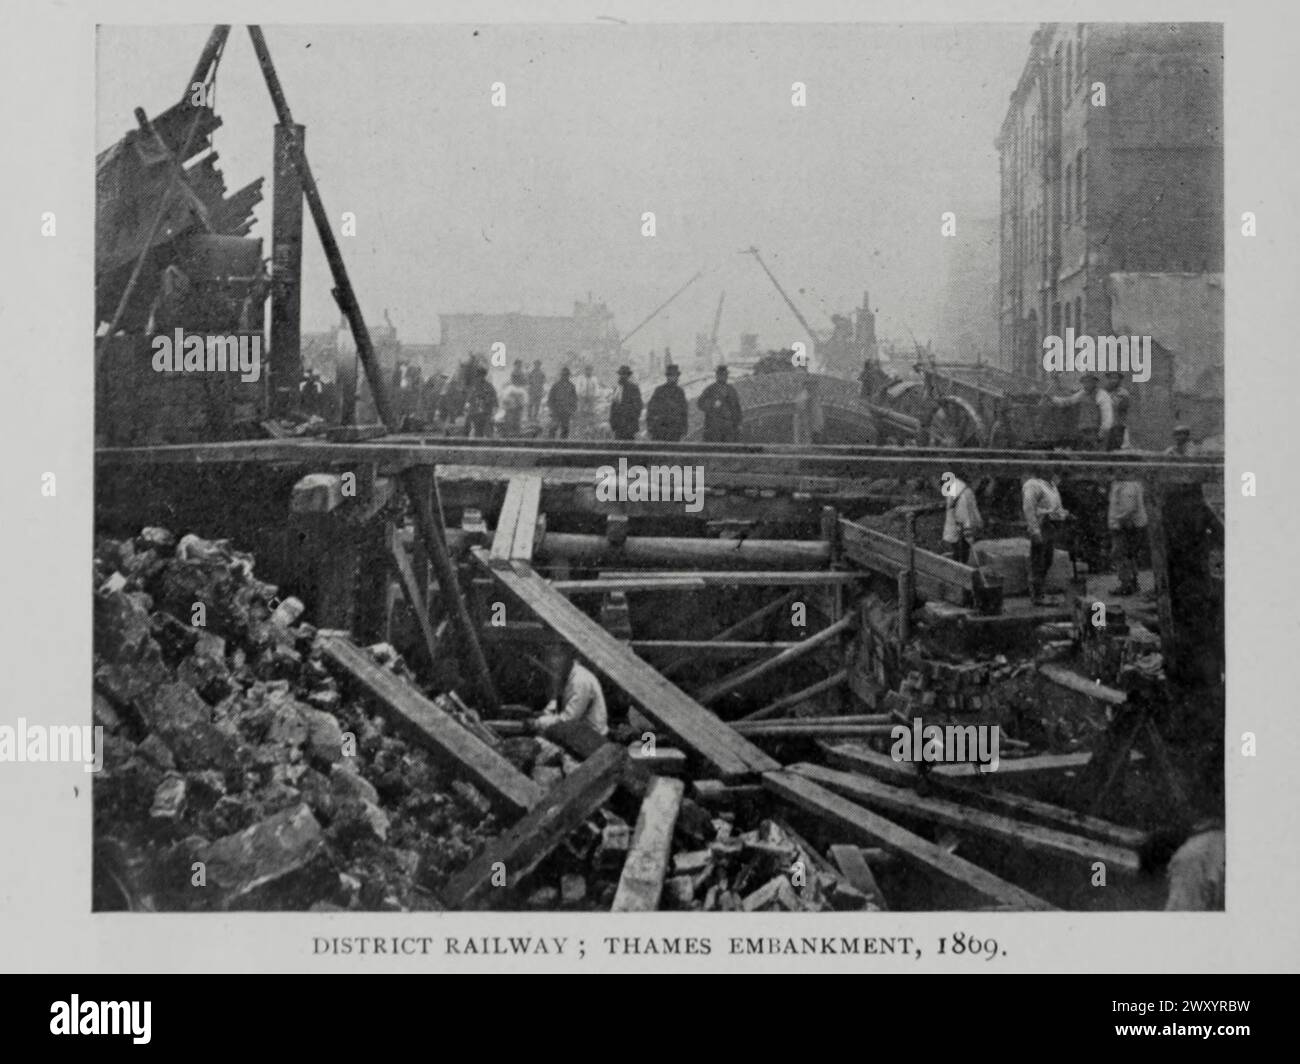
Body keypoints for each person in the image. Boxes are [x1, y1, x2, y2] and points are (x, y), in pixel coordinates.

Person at [1022, 466, 1070, 605]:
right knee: (1038, 561)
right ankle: (1037, 595)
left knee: (1047, 559)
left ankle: (1040, 591)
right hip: (1041, 525)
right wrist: (1034, 530)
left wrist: (1064, 514)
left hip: (1051, 526)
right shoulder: (1033, 485)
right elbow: (1029, 509)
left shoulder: (1052, 485)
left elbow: (1056, 507)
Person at [533, 647, 608, 736]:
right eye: (551, 656)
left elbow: (570, 719)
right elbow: (557, 701)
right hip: (576, 730)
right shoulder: (564, 675)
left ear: (570, 657)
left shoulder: (580, 680)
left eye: (558, 656)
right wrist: (545, 713)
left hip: (592, 736)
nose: (553, 661)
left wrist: (539, 722)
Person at [1107, 454, 1148, 596]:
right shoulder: (1119, 483)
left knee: (1120, 554)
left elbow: (1128, 510)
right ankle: (1132, 582)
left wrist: (1121, 523)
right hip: (1122, 525)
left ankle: (1126, 584)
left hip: (1125, 526)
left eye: (1118, 469)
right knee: (1128, 555)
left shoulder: (1128, 485)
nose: (1114, 472)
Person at [1047, 373, 1112, 450]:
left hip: (1096, 431)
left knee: (1096, 454)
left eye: (1089, 382)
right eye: (1085, 382)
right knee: (1084, 454)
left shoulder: (1102, 394)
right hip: (1083, 429)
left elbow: (1107, 415)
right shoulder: (1082, 393)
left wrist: (1103, 430)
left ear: (1095, 382)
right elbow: (1069, 401)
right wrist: (1053, 399)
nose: (1086, 384)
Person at [941, 469, 983, 565]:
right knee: (962, 549)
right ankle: (961, 568)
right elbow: (965, 513)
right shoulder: (964, 490)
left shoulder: (956, 487)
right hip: (961, 525)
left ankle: (959, 566)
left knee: (958, 548)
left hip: (958, 524)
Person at [698, 364, 743, 442]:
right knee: (716, 449)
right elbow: (700, 403)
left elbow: (737, 408)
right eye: (721, 375)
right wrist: (712, 404)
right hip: (714, 427)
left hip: (729, 426)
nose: (723, 377)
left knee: (730, 449)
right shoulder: (710, 389)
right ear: (717, 376)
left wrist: (739, 423)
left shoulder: (731, 390)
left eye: (725, 375)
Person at [645, 363, 688, 441]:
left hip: (674, 430)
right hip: (660, 429)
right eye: (671, 376)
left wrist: (684, 428)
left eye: (675, 376)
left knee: (672, 450)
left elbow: (683, 411)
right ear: (667, 377)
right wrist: (650, 427)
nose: (674, 378)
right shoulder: (659, 390)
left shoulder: (680, 392)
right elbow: (651, 409)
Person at [609, 365, 643, 441]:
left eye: (624, 374)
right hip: (618, 426)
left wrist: (630, 417)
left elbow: (638, 406)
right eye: (621, 374)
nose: (622, 376)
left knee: (629, 448)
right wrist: (613, 423)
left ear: (628, 376)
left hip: (629, 425)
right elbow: (613, 407)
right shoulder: (617, 389)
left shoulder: (634, 388)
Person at [464, 362, 497, 438]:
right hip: (477, 414)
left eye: (480, 376)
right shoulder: (475, 386)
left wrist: (492, 413)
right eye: (478, 376)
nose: (479, 378)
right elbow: (469, 400)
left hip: (485, 414)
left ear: (483, 376)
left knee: (487, 433)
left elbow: (494, 400)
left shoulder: (488, 386)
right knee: (478, 433)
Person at [547, 366, 578, 438]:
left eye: (566, 375)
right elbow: (550, 399)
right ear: (561, 375)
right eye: (563, 375)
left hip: (566, 411)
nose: (565, 376)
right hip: (556, 410)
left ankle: (563, 446)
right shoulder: (555, 385)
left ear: (568, 375)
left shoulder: (571, 386)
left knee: (565, 429)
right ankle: (549, 445)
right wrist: (552, 409)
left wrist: (573, 410)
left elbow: (574, 399)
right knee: (553, 428)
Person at [1103, 372, 1131, 451]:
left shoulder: (1123, 393)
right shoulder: (1103, 392)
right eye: (1111, 378)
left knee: (1118, 447)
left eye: (1115, 378)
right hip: (1105, 425)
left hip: (1118, 425)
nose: (1113, 381)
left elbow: (1123, 408)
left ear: (1119, 380)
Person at [500, 369, 528, 436]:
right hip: (510, 410)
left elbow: (525, 401)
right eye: (515, 378)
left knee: (517, 426)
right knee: (509, 425)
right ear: (512, 379)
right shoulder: (508, 389)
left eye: (518, 378)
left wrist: (520, 404)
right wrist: (509, 404)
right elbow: (504, 400)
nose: (517, 380)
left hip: (518, 410)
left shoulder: (522, 390)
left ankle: (515, 437)